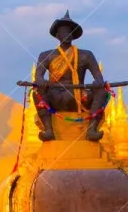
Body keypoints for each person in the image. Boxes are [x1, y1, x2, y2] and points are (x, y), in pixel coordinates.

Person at [32, 11, 110, 141]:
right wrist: (41, 82)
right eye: (64, 32)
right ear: (57, 35)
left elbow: (98, 77)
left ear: (73, 35)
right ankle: (48, 130)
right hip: (55, 96)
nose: (67, 34)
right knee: (37, 91)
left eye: (70, 32)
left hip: (78, 96)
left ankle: (91, 130)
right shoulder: (46, 55)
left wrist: (98, 83)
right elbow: (38, 76)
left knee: (102, 91)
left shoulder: (86, 55)